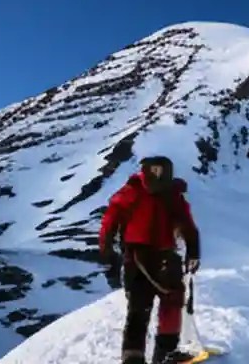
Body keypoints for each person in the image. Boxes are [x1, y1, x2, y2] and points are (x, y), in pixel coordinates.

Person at [99, 155, 201, 364]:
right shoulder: (140, 193)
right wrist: (193, 251)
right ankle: (157, 354)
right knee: (153, 305)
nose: (157, 176)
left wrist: (193, 251)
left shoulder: (155, 194)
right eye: (154, 171)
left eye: (160, 171)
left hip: (149, 257)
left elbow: (187, 225)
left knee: (155, 305)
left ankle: (153, 355)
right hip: (145, 256)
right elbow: (110, 222)